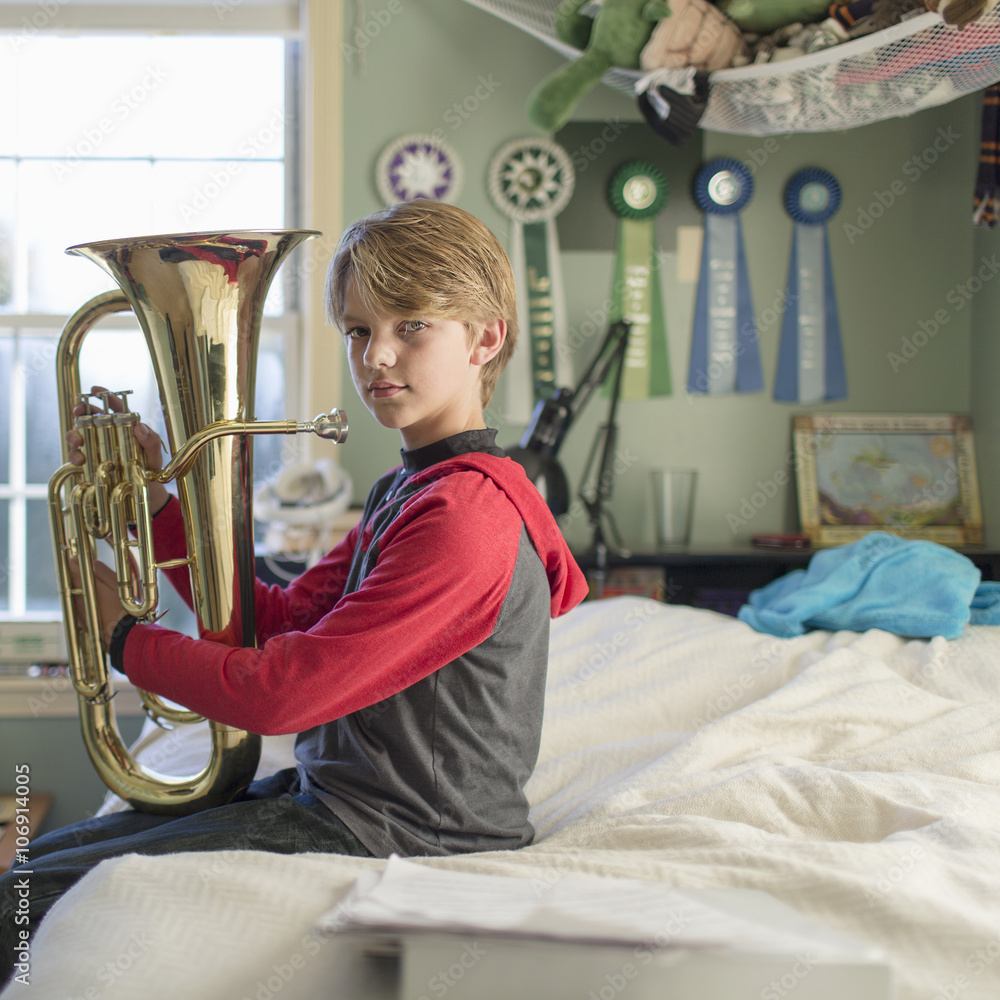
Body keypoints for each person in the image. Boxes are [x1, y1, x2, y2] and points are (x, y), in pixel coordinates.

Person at [0, 200, 588, 986]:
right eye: (357, 329)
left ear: (486, 338)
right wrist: (158, 507)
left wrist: (123, 641)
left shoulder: (465, 518)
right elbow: (276, 621)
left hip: (406, 840)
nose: (377, 355)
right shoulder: (413, 489)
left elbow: (285, 695)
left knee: (28, 901)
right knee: (35, 868)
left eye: (411, 325)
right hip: (342, 806)